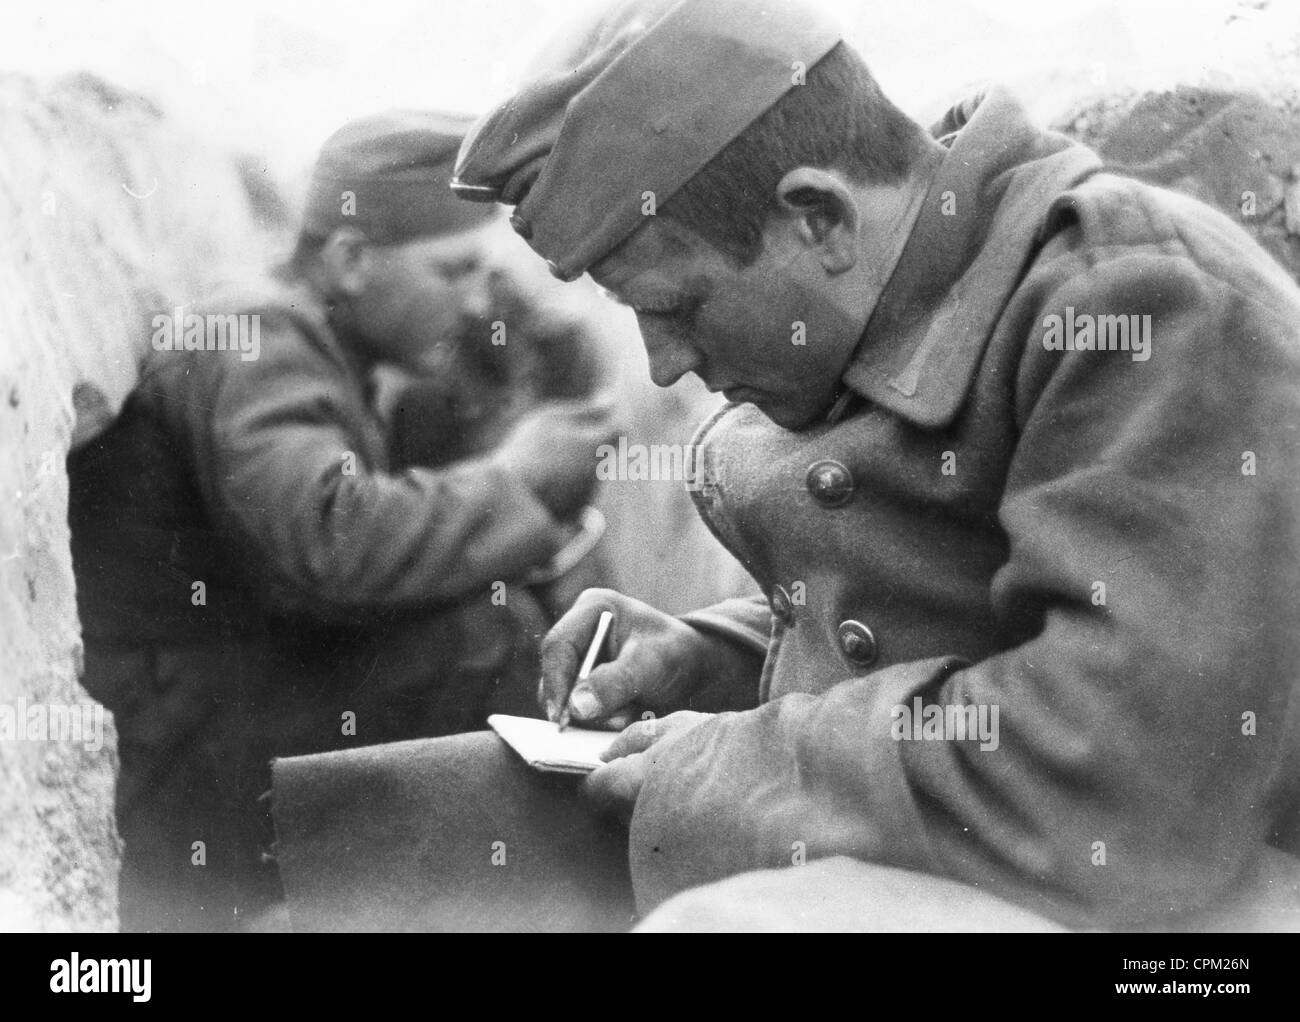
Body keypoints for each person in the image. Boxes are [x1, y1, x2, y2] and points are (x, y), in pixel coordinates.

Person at [447, 0, 1300, 930]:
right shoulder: (918, 283)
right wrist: (723, 661)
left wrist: (736, 762)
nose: (663, 362)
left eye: (681, 308)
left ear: (819, 217)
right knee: (425, 823)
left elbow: (1124, 774)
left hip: (1190, 927)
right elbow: (977, 603)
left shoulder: (1142, 307)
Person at [67, 110, 618, 932]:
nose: (475, 303)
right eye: (453, 273)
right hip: (171, 747)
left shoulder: (316, 341)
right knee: (480, 641)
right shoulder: (261, 332)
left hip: (205, 711)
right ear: (353, 259)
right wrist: (515, 481)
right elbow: (325, 546)